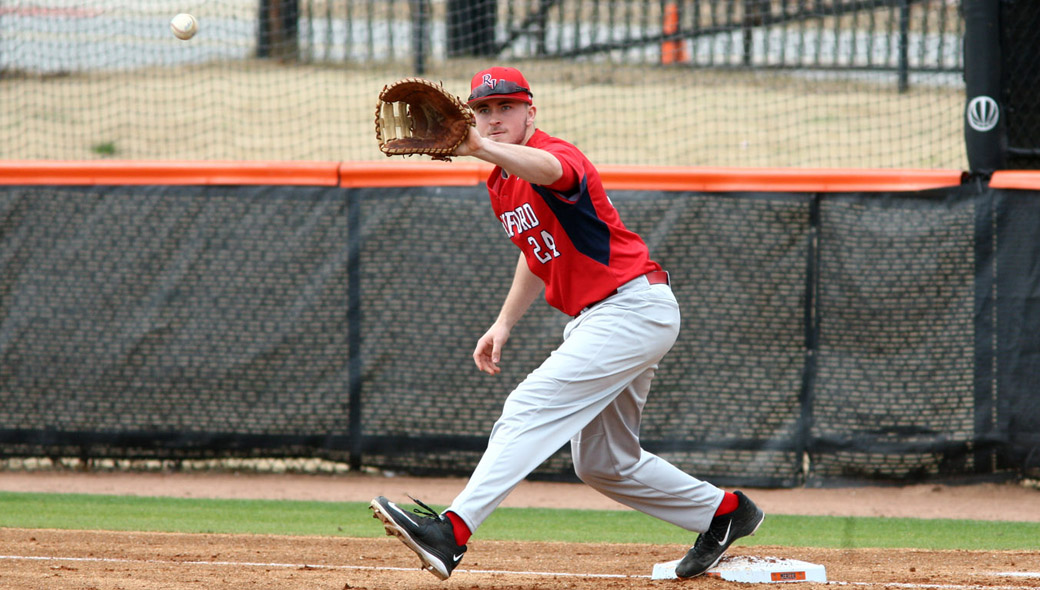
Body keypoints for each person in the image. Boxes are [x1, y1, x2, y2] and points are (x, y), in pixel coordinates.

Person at [370, 66, 764, 581]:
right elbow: (537, 253)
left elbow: (551, 170)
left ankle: (453, 532)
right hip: (604, 319)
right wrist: (504, 322)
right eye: (484, 110)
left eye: (506, 107)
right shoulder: (500, 183)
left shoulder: (557, 156)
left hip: (631, 308)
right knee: (603, 463)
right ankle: (724, 512)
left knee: (528, 406)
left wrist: (478, 146)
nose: (494, 118)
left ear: (531, 112)